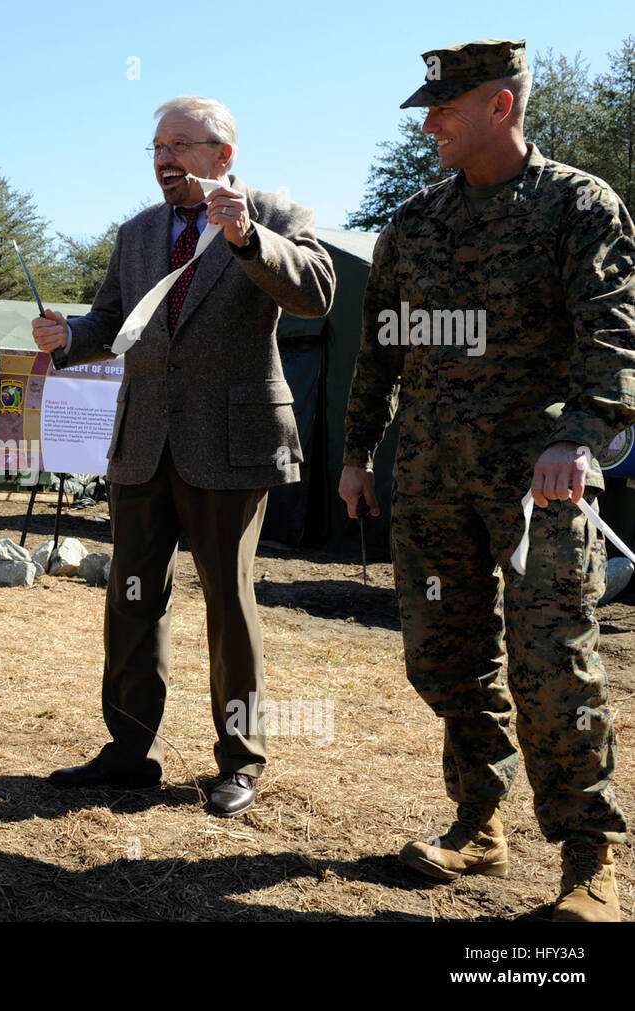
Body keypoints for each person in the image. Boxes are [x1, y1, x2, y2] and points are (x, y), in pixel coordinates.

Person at [340, 39, 633, 921]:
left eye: (444, 108)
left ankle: (591, 863)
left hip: (538, 485)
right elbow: (378, 350)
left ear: (500, 106)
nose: (428, 123)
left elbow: (614, 338)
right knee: (444, 660)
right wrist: (357, 453)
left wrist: (580, 438)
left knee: (554, 667)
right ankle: (479, 821)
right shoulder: (414, 223)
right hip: (430, 481)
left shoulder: (579, 206)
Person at [33, 97, 335, 815]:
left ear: (223, 154)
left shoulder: (274, 212)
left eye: (180, 145)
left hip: (231, 443)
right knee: (132, 598)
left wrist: (248, 238)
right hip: (142, 442)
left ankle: (240, 760)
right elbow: (114, 322)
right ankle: (130, 752)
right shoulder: (137, 233)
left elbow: (317, 294)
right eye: (157, 147)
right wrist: (68, 338)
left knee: (229, 603)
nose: (165, 159)